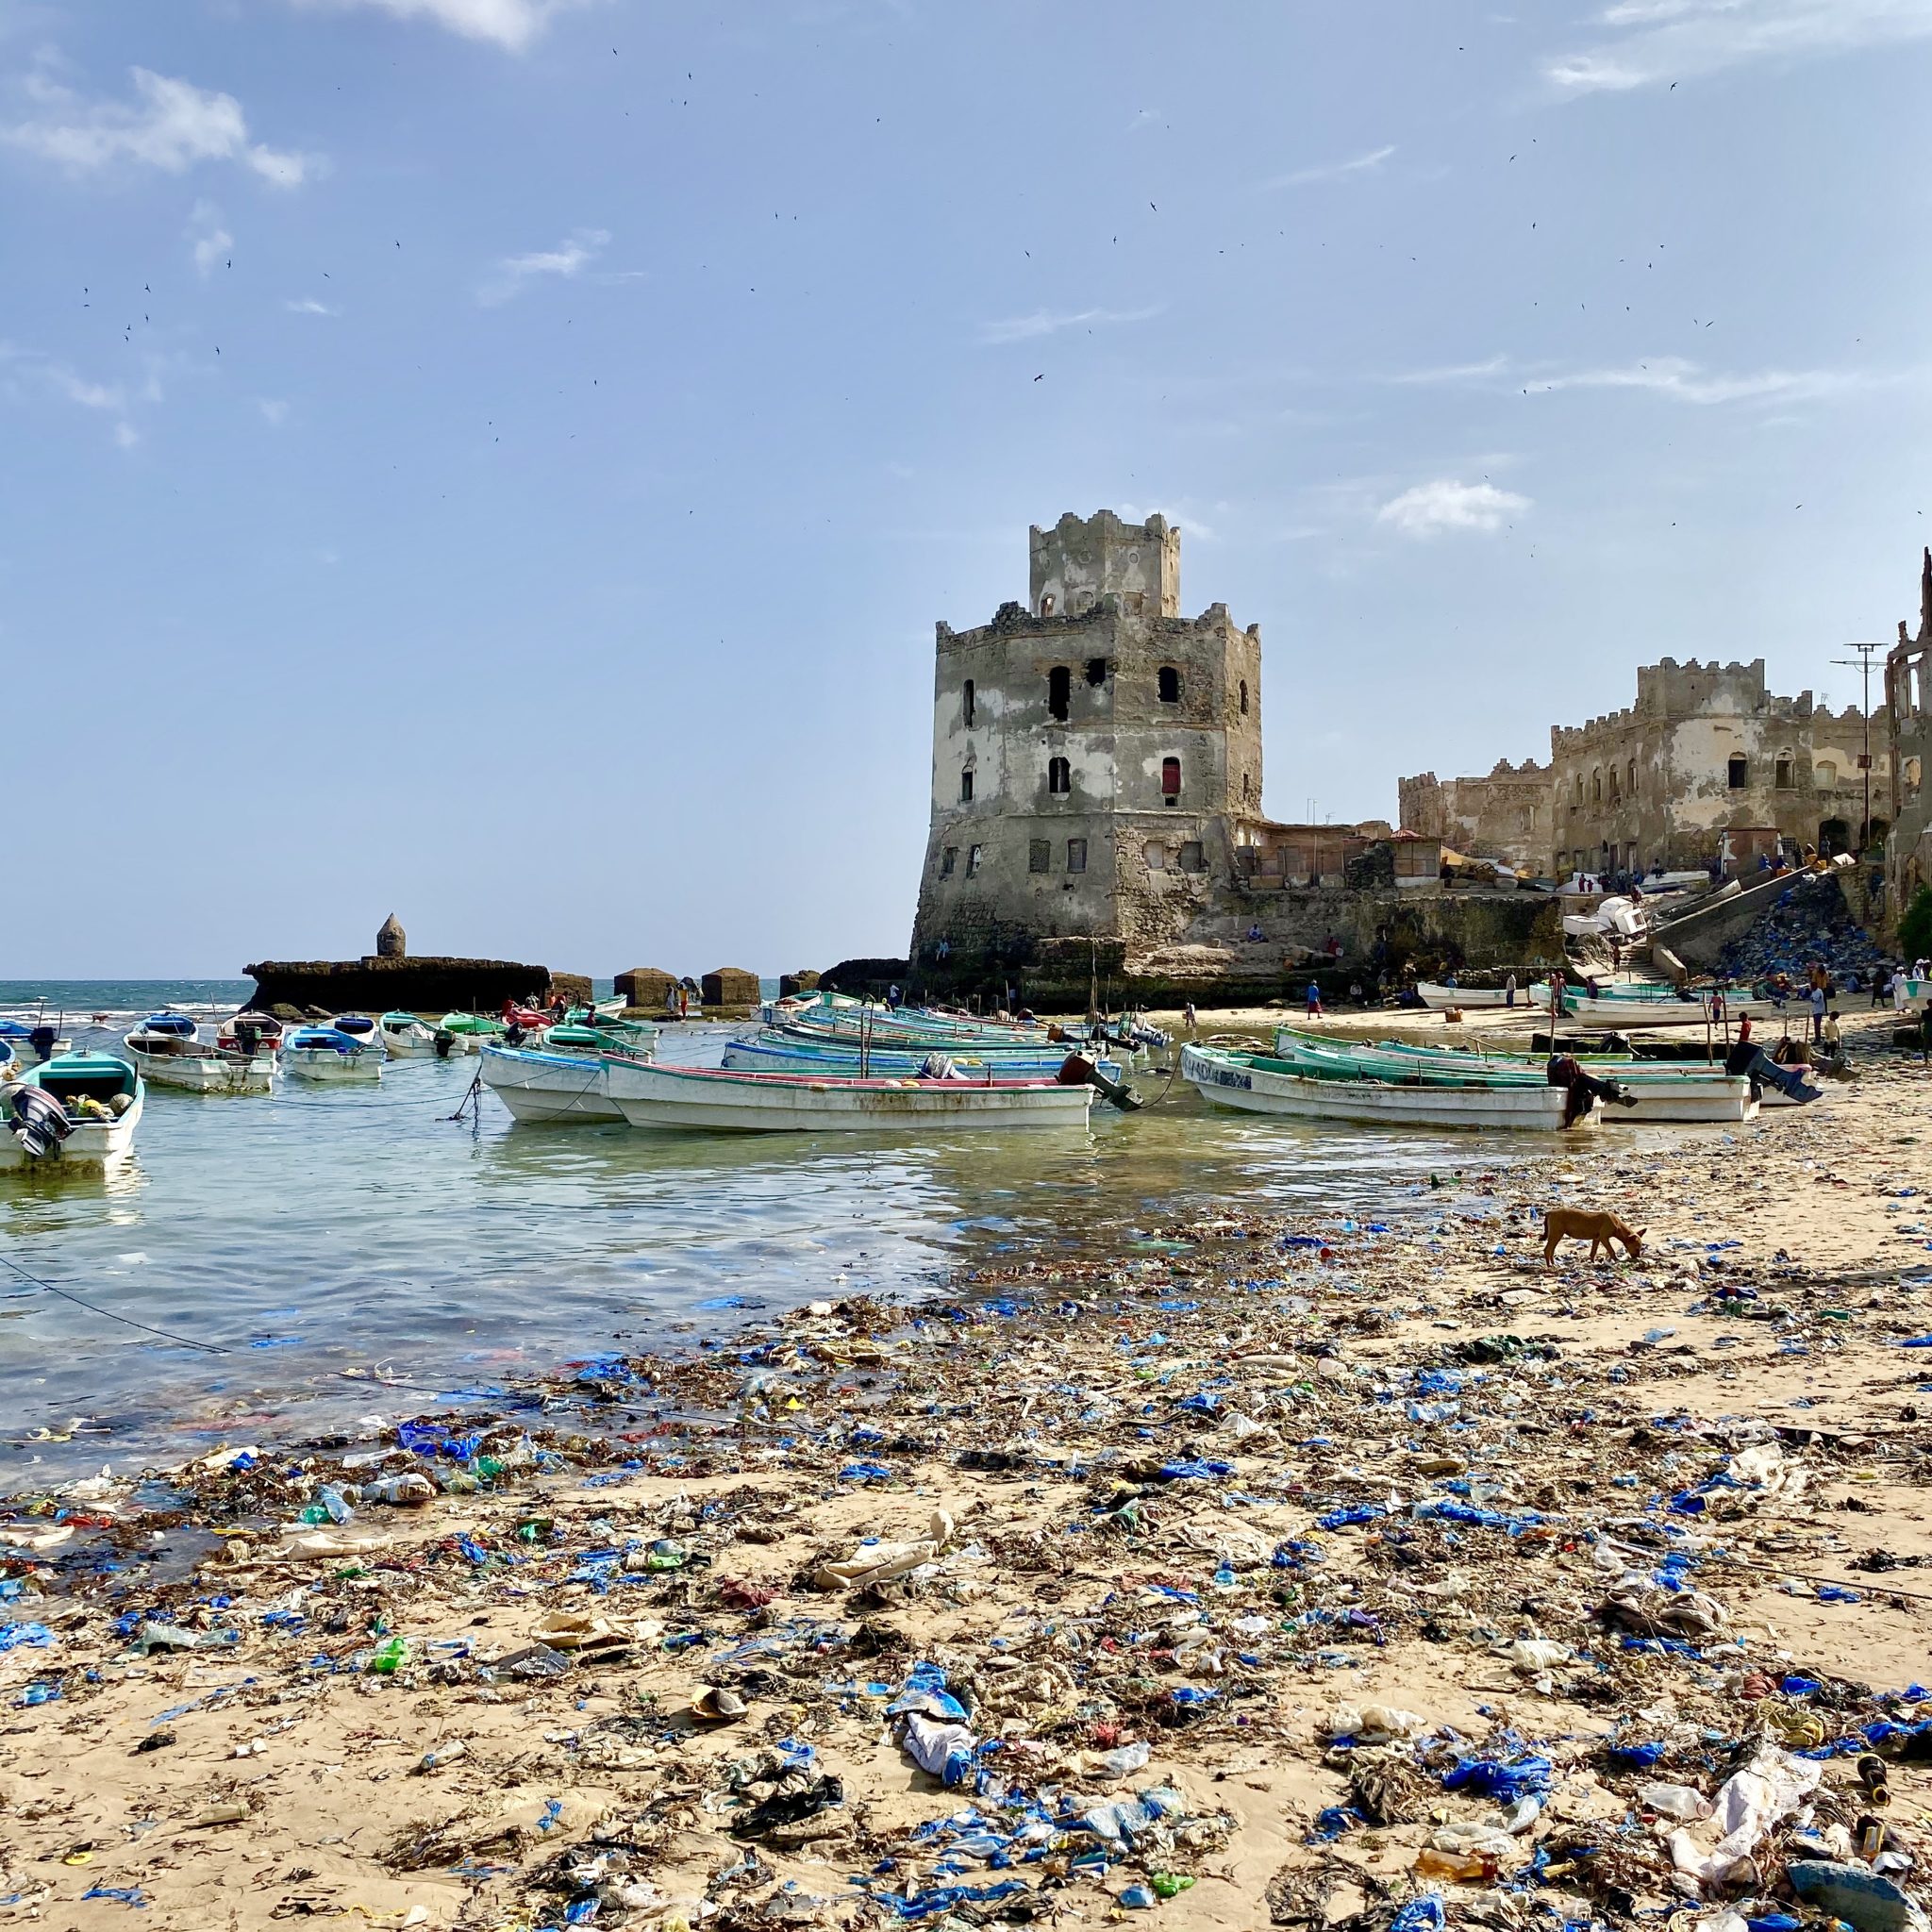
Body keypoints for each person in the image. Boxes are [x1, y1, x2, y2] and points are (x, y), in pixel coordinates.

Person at [1808, 979, 1827, 1043]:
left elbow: (1814, 1000)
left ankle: (1818, 1038)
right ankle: (1817, 1037)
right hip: (1815, 1010)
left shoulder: (1818, 992)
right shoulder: (1815, 991)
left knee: (1817, 1025)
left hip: (1818, 1010)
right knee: (1816, 1025)